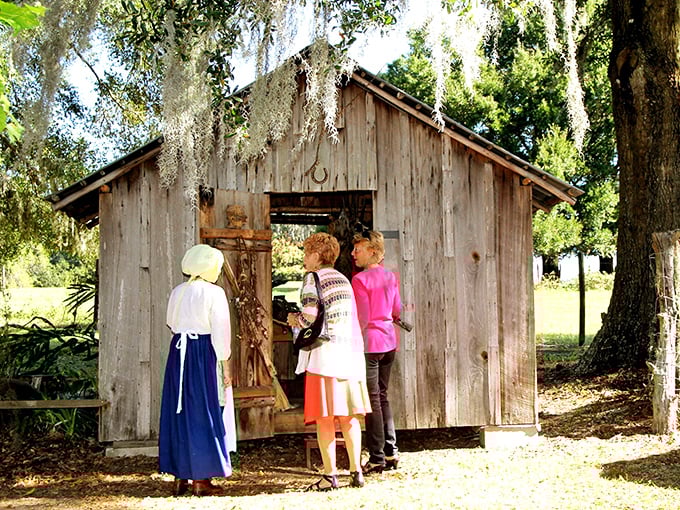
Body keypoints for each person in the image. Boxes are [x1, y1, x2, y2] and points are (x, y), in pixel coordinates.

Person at [287, 232, 370, 491]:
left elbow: (310, 318)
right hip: (351, 356)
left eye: (305, 253)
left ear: (315, 255)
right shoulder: (344, 279)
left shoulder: (313, 279)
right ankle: (356, 472)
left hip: (325, 358)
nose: (304, 258)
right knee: (349, 418)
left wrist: (293, 321)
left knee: (325, 418)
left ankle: (330, 475)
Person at [159, 244, 232, 497]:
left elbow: (171, 322)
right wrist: (224, 362)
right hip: (202, 352)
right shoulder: (214, 293)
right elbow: (221, 333)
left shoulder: (178, 291)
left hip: (179, 352)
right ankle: (201, 479)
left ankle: (180, 476)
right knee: (203, 410)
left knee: (180, 411)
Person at [351, 230, 402, 474]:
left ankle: (376, 457)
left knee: (372, 401)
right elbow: (397, 310)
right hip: (389, 342)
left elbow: (361, 317)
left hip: (370, 344)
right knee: (382, 396)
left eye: (357, 249)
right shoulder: (391, 277)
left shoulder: (359, 280)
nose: (353, 254)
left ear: (372, 252)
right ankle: (391, 452)